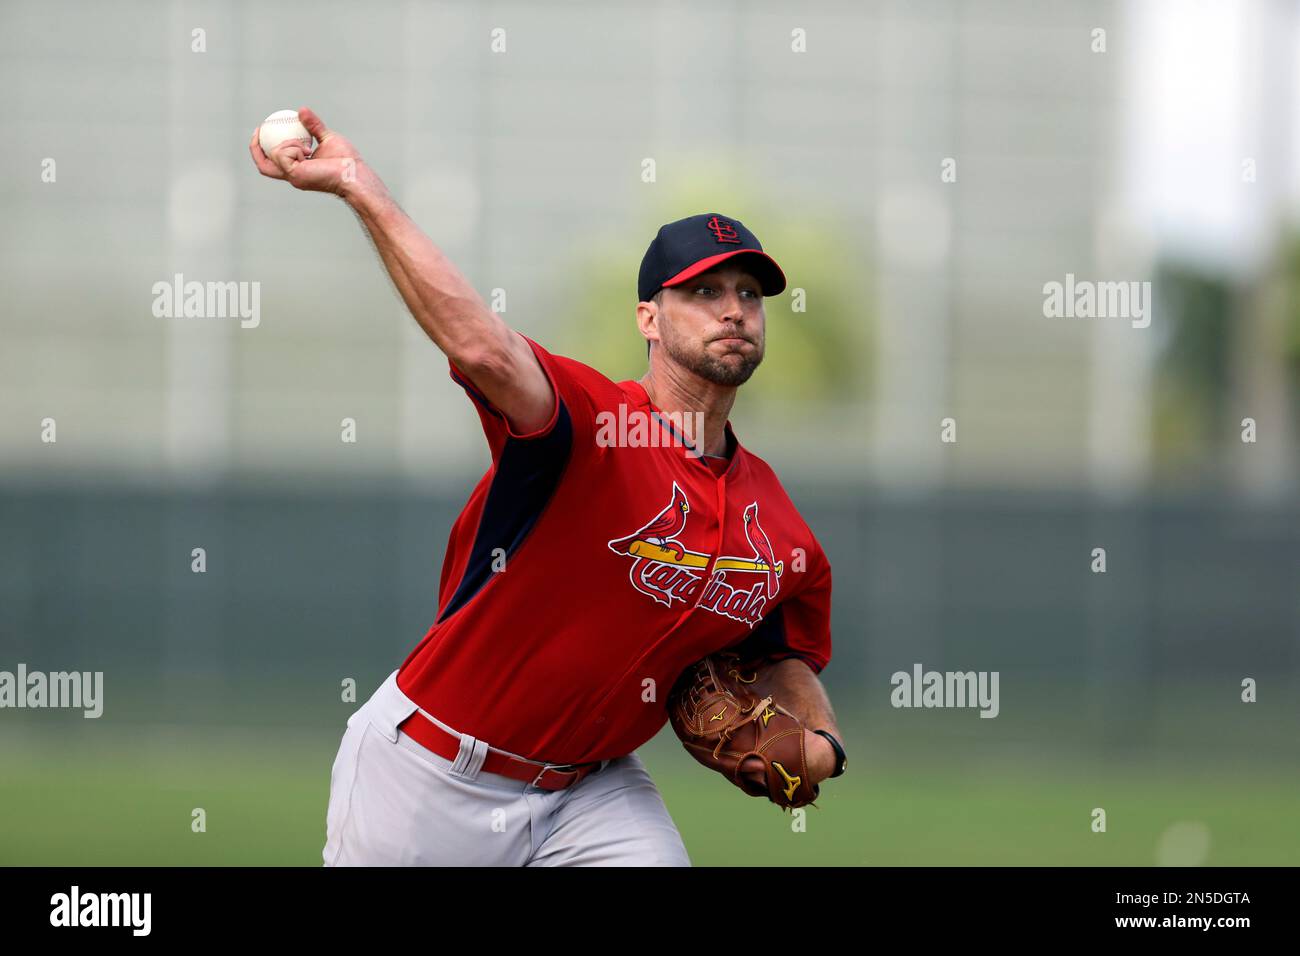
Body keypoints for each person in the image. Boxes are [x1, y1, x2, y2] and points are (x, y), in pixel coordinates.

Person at [249, 108, 846, 866]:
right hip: (429, 773)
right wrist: (358, 186)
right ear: (649, 319)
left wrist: (819, 738)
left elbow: (784, 651)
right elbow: (480, 346)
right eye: (704, 292)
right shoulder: (591, 422)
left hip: (590, 793)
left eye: (750, 294)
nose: (734, 309)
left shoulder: (778, 524)